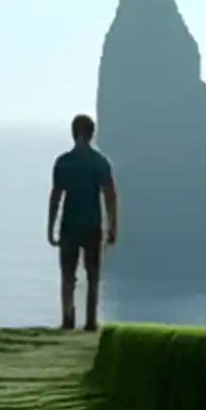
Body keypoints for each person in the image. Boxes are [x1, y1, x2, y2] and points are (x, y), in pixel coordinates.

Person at [47, 114, 118, 331]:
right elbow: (110, 195)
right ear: (91, 133)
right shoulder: (100, 162)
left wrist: (50, 227)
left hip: (69, 225)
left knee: (68, 275)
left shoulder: (63, 162)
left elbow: (56, 197)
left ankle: (67, 319)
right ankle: (90, 321)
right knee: (93, 274)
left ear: (73, 133)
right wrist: (112, 226)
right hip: (92, 226)